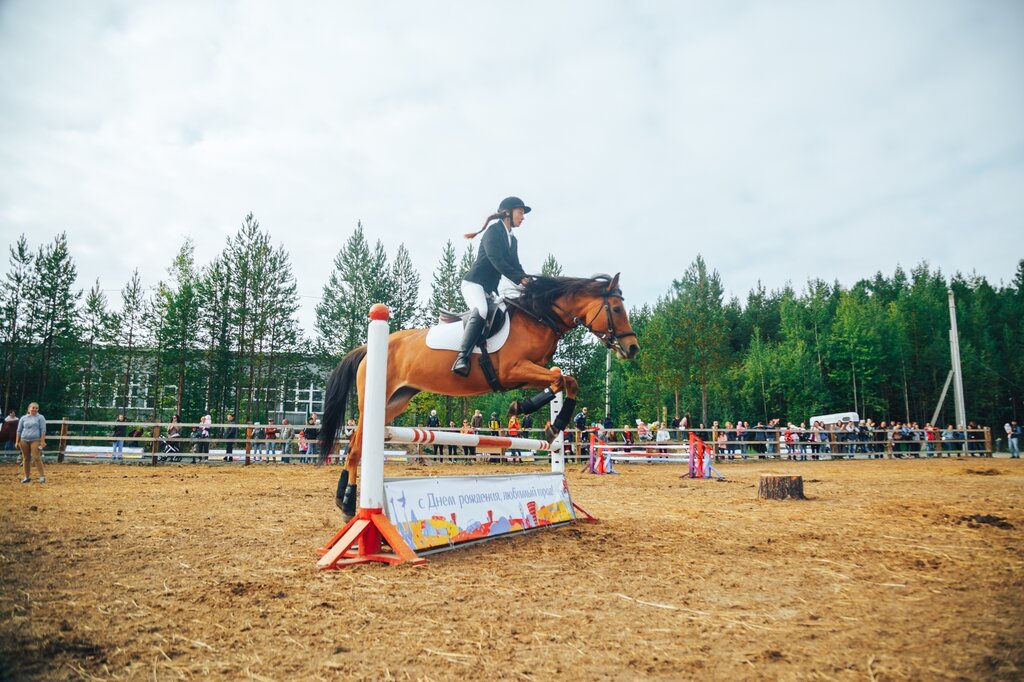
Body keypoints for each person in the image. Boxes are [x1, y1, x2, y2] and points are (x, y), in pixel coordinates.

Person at [452, 196, 532, 376]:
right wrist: (519, 278)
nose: (523, 217)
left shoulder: (513, 240)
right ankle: (462, 357)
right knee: (480, 310)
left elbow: (516, 265)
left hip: (490, 290)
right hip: (473, 284)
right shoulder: (493, 232)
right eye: (520, 212)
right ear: (507, 213)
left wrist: (528, 282)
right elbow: (497, 261)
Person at [16, 402, 46, 483]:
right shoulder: (23, 418)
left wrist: (42, 441)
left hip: (35, 440)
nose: (34, 409)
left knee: (36, 457)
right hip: (24, 440)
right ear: (29, 408)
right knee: (26, 458)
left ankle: (42, 476)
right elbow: (19, 430)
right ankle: (26, 477)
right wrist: (17, 441)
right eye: (33, 408)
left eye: (36, 408)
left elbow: (43, 430)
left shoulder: (40, 417)